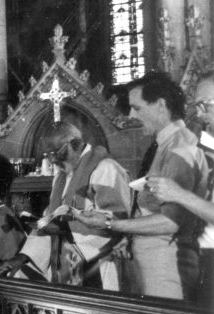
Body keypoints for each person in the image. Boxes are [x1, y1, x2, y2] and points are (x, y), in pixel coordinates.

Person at [76, 73, 208, 300]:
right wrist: (131, 236)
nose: (131, 115)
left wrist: (110, 223)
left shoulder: (179, 148)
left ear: (160, 105)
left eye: (137, 108)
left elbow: (170, 222)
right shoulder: (165, 144)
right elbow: (153, 209)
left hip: (168, 269)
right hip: (151, 264)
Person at [0, 121, 131, 290]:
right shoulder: (62, 176)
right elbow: (49, 220)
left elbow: (116, 224)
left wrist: (65, 229)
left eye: (56, 151)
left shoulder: (105, 169)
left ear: (76, 144)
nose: (51, 159)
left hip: (100, 267)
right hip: (66, 265)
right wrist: (22, 257)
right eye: (47, 153)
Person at [147, 73, 214, 305]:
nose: (199, 114)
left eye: (204, 105)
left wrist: (178, 194)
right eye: (196, 106)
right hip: (203, 256)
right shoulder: (207, 144)